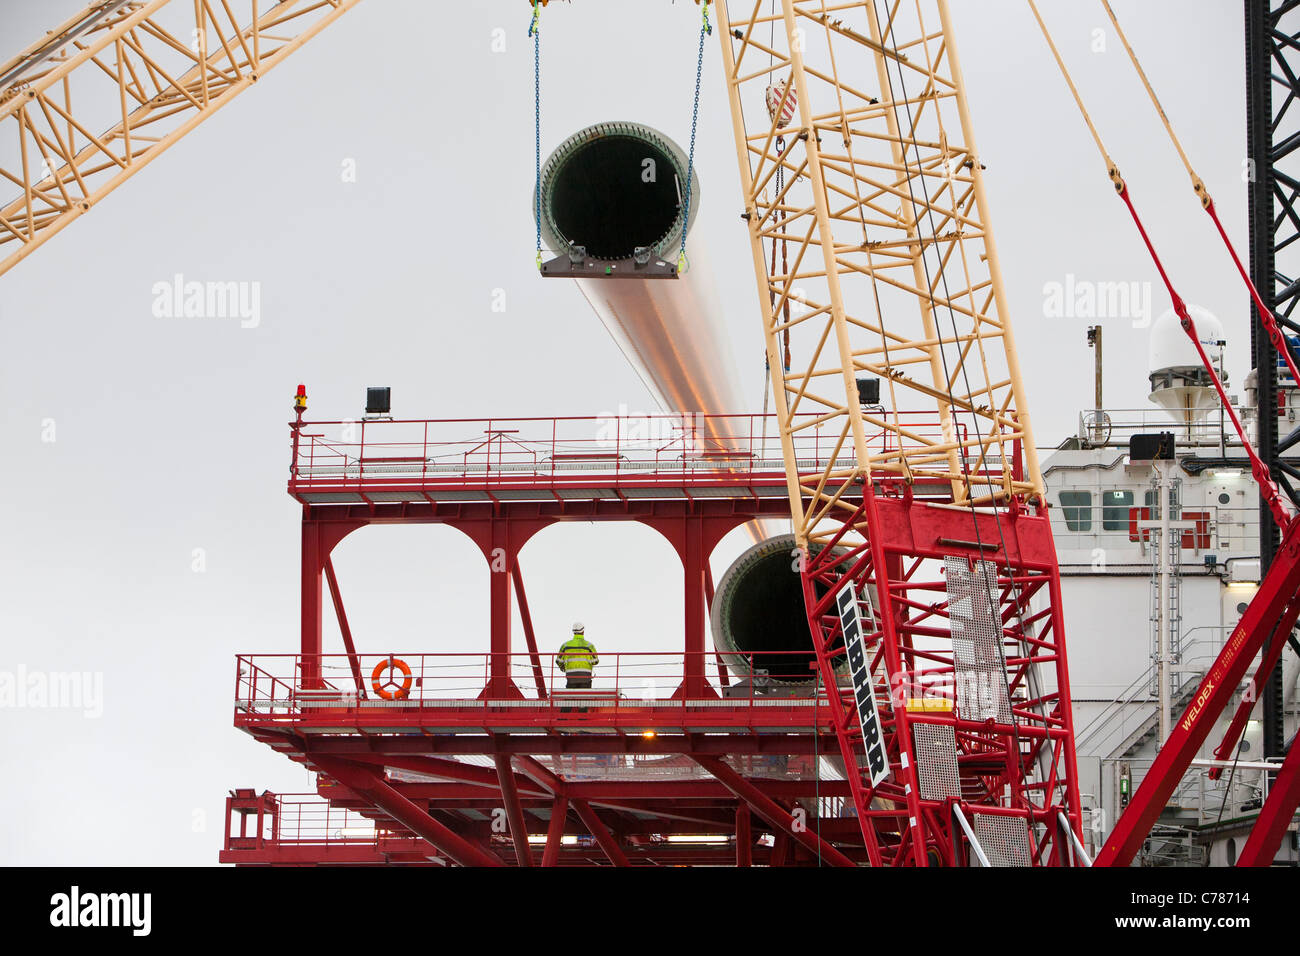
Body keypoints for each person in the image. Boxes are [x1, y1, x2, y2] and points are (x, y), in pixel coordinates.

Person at [557, 622, 598, 689]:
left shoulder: (565, 646)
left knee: (571, 698)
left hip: (571, 677)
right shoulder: (589, 646)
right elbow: (595, 661)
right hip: (586, 677)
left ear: (573, 632)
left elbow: (559, 661)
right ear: (583, 631)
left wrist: (563, 667)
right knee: (585, 697)